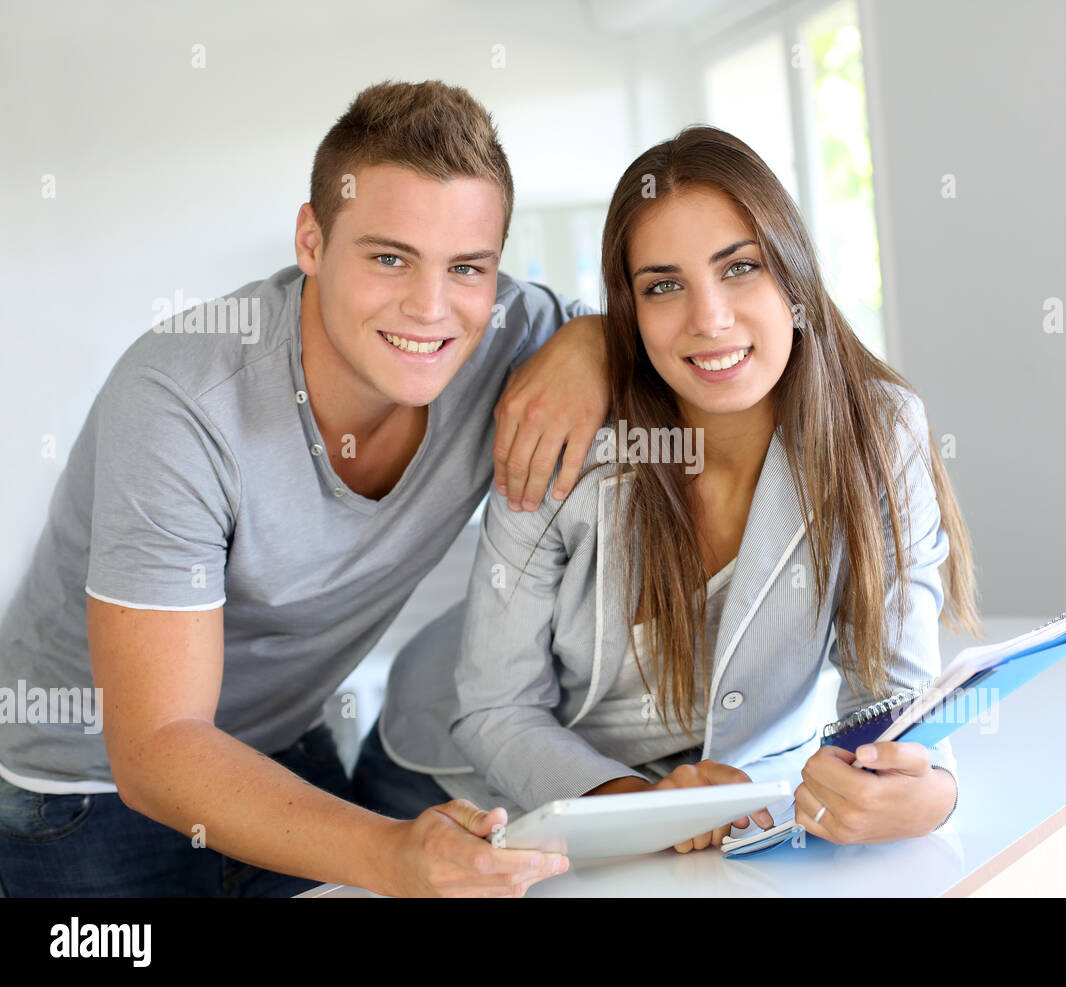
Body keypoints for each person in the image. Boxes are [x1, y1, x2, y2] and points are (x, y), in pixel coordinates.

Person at [0, 80, 610, 897]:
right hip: (85, 789)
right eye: (389, 256)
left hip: (280, 748)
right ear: (312, 242)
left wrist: (596, 341)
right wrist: (395, 854)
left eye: (466, 266)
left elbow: (656, 329)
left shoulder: (512, 335)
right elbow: (155, 748)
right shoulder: (180, 399)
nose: (431, 308)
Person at [355, 125, 981, 853]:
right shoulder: (566, 435)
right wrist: (637, 806)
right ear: (631, 311)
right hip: (450, 781)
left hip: (690, 806)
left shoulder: (880, 432)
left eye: (740, 268)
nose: (709, 318)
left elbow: (895, 707)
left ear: (795, 274)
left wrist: (932, 790)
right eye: (664, 285)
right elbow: (497, 709)